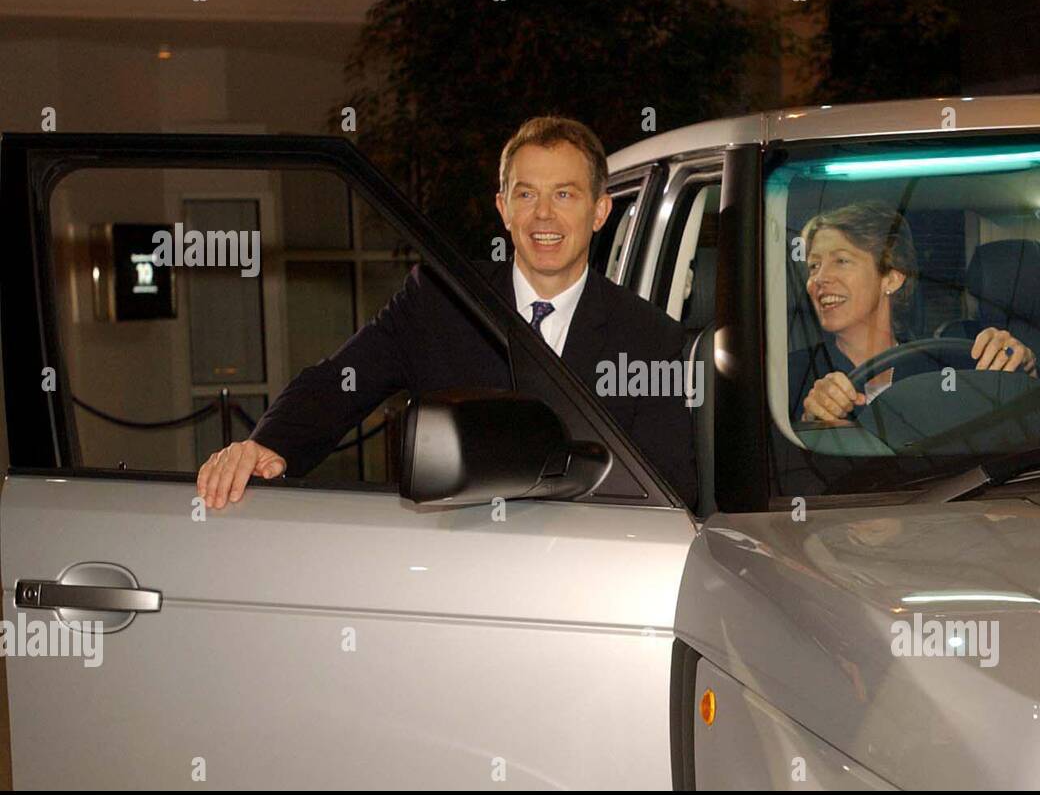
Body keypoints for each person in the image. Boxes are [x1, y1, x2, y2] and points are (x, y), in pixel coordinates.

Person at [198, 116, 696, 508]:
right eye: (526, 194)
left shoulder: (651, 339)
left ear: (600, 211)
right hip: (452, 566)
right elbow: (339, 382)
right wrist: (267, 446)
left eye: (564, 194)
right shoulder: (440, 301)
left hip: (589, 577)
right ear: (503, 208)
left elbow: (673, 492)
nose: (543, 214)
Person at [789, 202, 1038, 424]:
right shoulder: (790, 378)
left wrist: (1023, 372)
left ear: (891, 278)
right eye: (814, 266)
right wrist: (810, 423)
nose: (818, 279)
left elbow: (1024, 426)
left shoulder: (948, 367)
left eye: (841, 261)